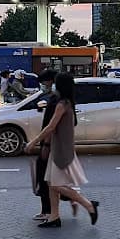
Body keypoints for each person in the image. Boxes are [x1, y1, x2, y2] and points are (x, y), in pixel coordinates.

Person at [25, 72, 98, 228]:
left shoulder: (61, 104)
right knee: (51, 182)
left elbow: (50, 127)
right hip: (59, 147)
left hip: (61, 150)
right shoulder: (67, 102)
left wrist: (34, 142)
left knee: (55, 185)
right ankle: (54, 216)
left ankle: (88, 204)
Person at [33, 70, 59, 221]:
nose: (43, 85)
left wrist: (45, 144)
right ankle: (47, 210)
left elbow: (51, 126)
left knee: (46, 178)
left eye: (43, 82)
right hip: (50, 143)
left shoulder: (56, 100)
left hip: (49, 144)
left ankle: (49, 210)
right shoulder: (54, 99)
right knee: (47, 178)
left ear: (50, 81)